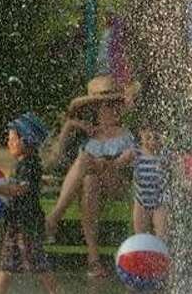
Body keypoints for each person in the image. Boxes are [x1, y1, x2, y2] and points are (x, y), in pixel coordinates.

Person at [44, 76, 137, 278]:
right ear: (95, 110)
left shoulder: (128, 134)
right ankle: (94, 261)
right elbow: (52, 162)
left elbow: (130, 165)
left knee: (86, 162)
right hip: (92, 187)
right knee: (89, 179)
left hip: (117, 183)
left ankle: (54, 217)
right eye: (104, 106)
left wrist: (105, 164)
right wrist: (69, 126)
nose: (110, 110)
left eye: (114, 105)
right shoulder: (86, 136)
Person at [0, 114, 56, 294]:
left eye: (12, 139)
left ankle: (54, 292)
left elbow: (20, 189)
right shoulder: (21, 163)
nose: (8, 142)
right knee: (8, 256)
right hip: (16, 219)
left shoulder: (30, 165)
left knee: (33, 255)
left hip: (28, 220)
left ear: (25, 141)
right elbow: (13, 187)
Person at [131, 119, 170, 239]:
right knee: (140, 236)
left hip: (160, 201)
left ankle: (161, 254)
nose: (152, 141)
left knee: (162, 236)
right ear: (141, 135)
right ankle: (142, 253)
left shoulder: (165, 154)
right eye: (148, 138)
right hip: (141, 201)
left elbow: (178, 169)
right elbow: (119, 162)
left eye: (156, 138)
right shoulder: (136, 153)